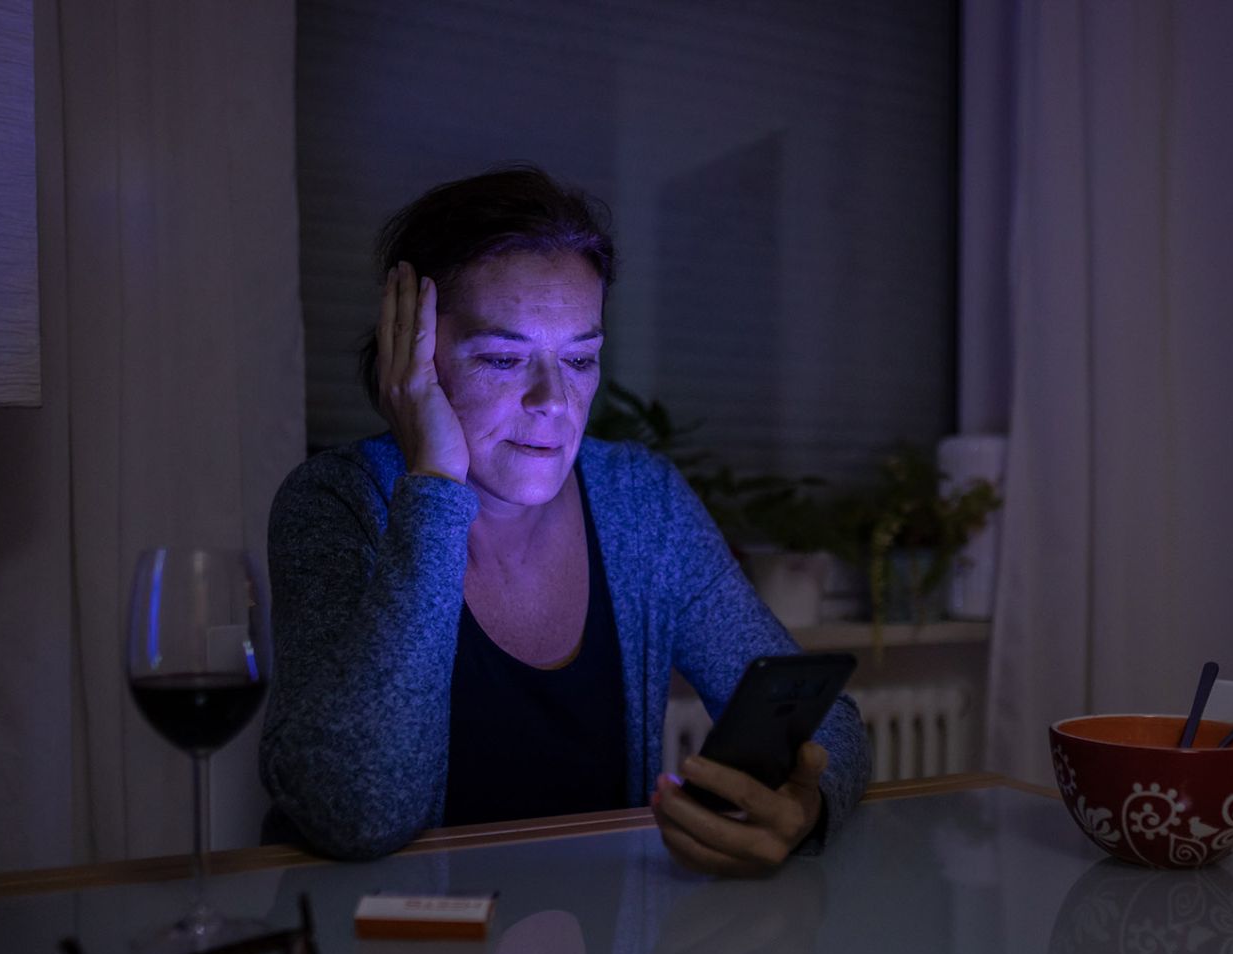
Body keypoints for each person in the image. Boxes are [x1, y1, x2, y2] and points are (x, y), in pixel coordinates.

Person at [259, 164, 870, 871]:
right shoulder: (335, 502)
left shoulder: (641, 501)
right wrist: (434, 484)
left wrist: (805, 805)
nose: (552, 399)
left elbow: (829, 724)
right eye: (502, 358)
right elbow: (359, 811)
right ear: (411, 354)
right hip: (384, 939)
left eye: (580, 358)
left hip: (599, 935)